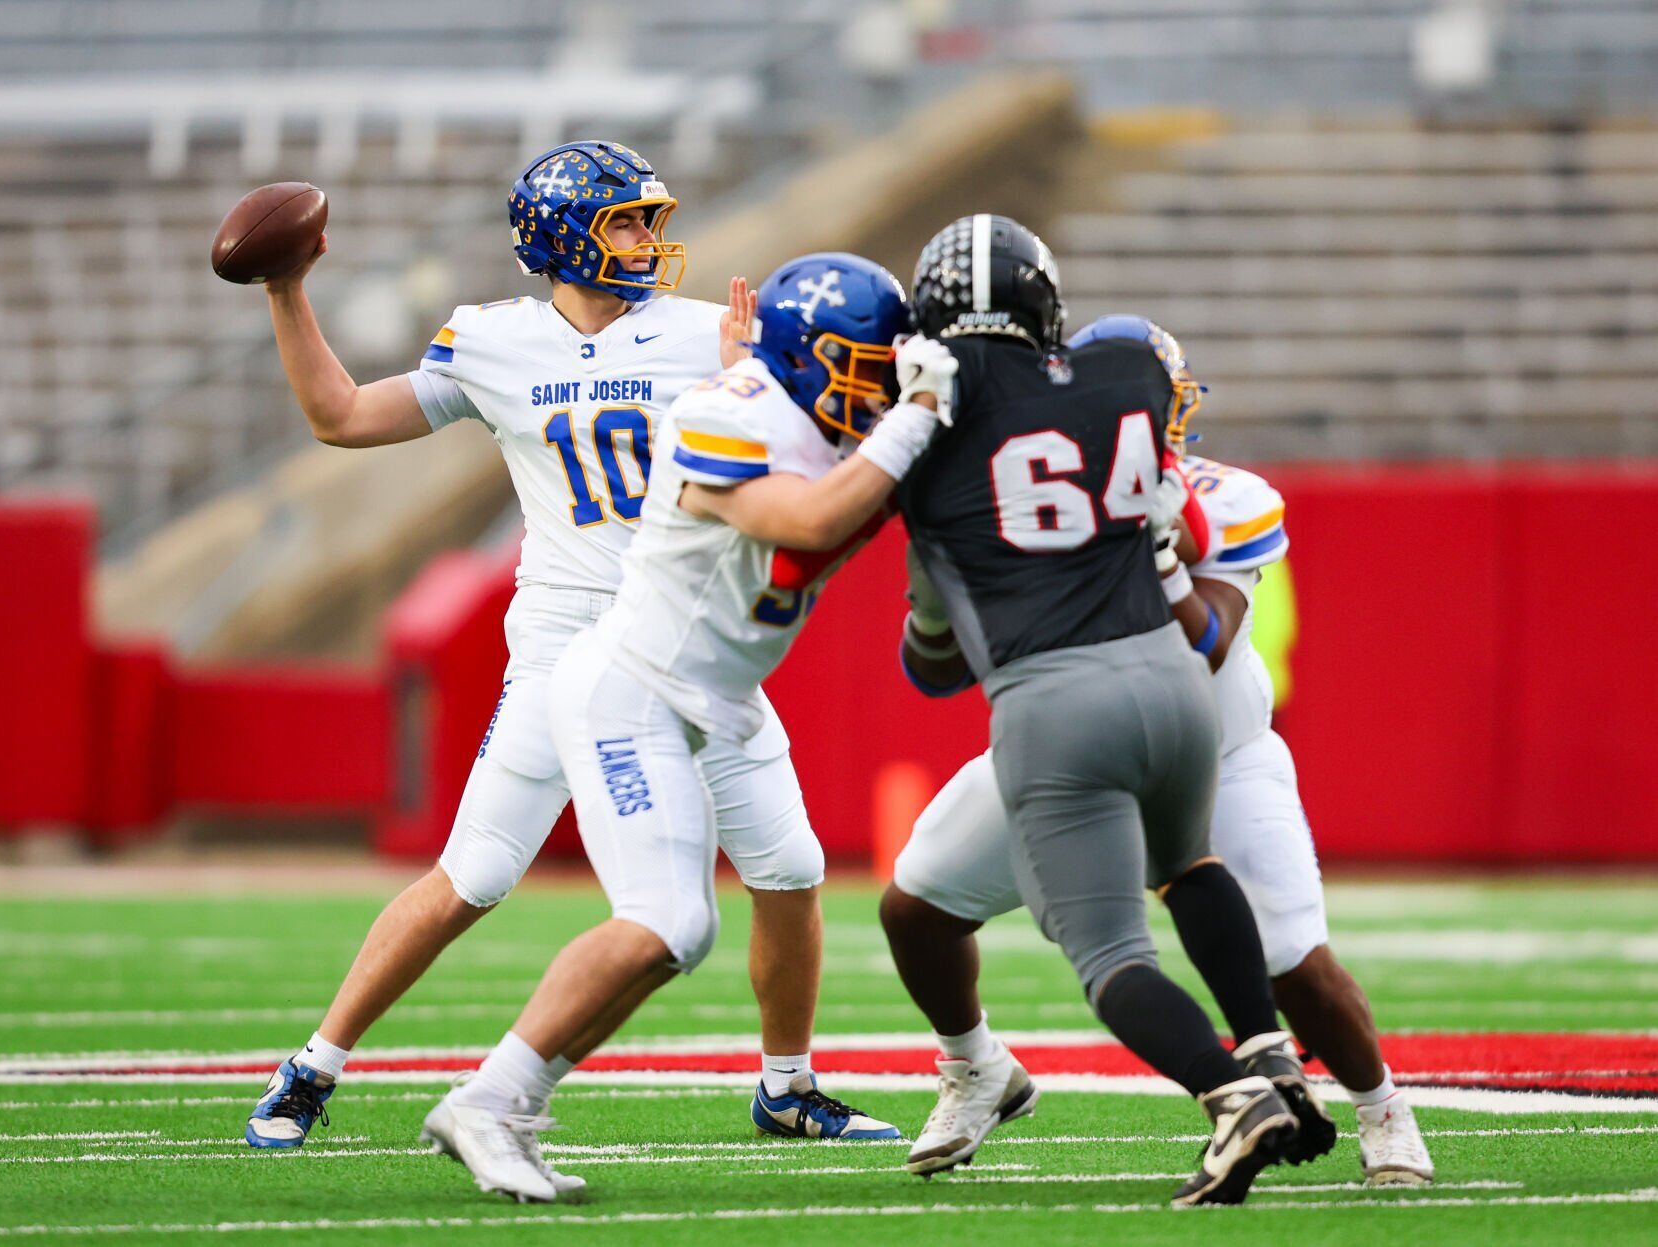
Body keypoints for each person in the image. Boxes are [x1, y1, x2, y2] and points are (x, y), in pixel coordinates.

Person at [241, 141, 888, 1169]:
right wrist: (287, 290)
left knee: (790, 866)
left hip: (688, 627)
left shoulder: (703, 335)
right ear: (559, 237)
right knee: (477, 870)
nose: (648, 239)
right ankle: (313, 1064)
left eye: (648, 219)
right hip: (566, 632)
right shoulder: (494, 342)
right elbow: (341, 415)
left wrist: (751, 384)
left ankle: (788, 1084)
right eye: (626, 220)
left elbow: (806, 443)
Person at [427, 252, 949, 1203]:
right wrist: (916, 418)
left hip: (713, 696)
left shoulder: (818, 412)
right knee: (669, 919)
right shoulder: (726, 415)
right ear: (808, 358)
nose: (877, 386)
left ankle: (767, 1087)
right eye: (862, 365)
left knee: (768, 880)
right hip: (634, 694)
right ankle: (490, 1100)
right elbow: (807, 516)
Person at [884, 315, 1434, 1188]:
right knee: (916, 907)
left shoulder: (1224, 495)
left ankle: (1383, 1109)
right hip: (1065, 745)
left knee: (1295, 961)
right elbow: (935, 664)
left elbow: (1207, 642)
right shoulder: (1018, 490)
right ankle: (976, 1067)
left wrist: (1165, 561)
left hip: (1214, 752)